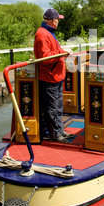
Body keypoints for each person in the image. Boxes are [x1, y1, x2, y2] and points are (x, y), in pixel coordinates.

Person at [34, 8, 73, 143]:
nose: (58, 22)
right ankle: (55, 135)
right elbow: (44, 58)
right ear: (53, 20)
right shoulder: (42, 34)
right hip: (49, 78)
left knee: (58, 106)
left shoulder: (48, 33)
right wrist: (63, 52)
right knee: (52, 108)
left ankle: (60, 130)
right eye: (57, 19)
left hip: (56, 77)